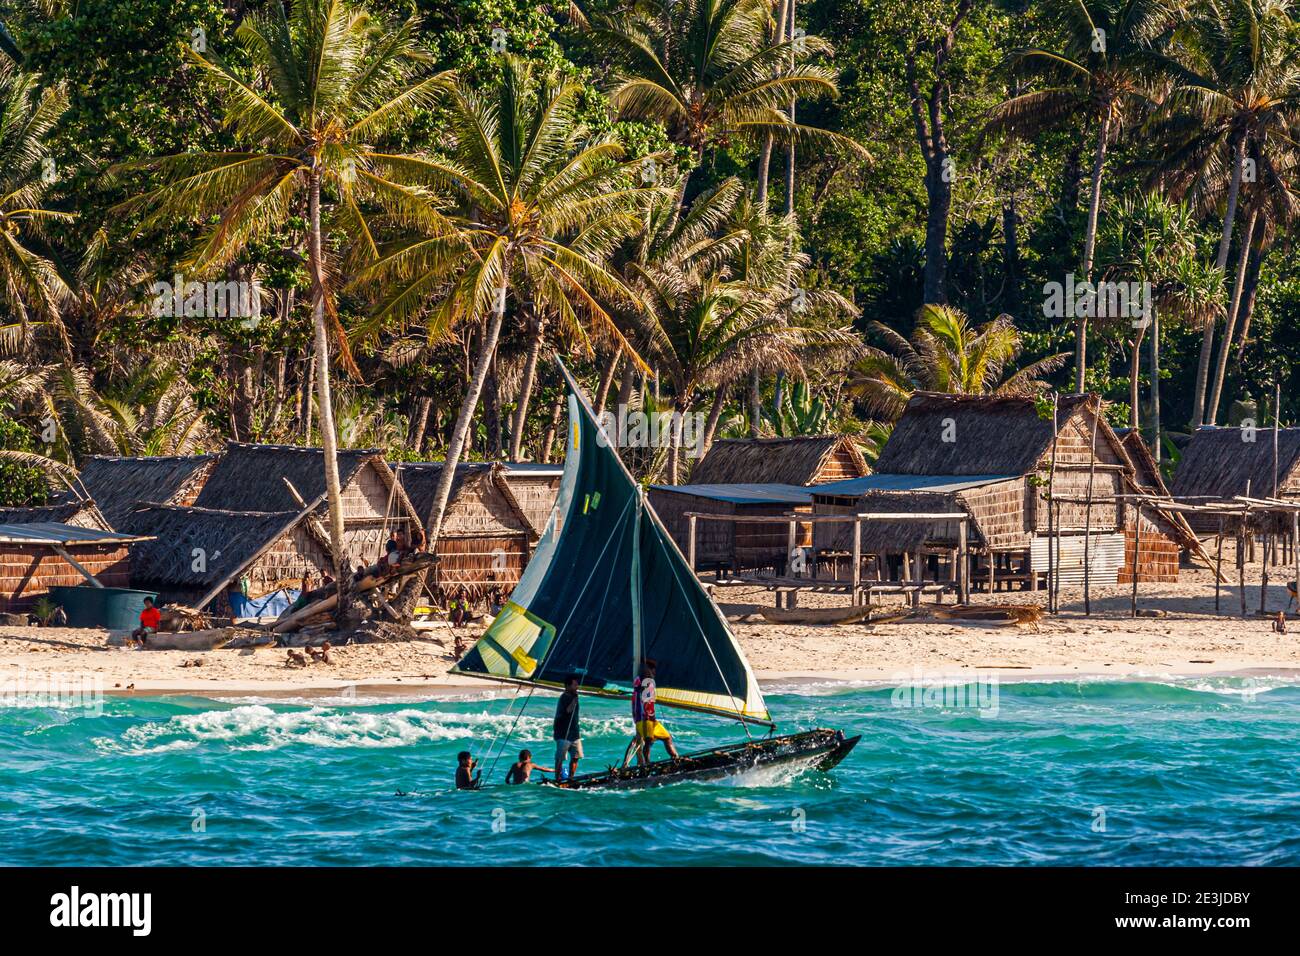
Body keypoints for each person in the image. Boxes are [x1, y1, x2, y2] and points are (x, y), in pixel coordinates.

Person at [632, 659, 678, 767]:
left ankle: (675, 757)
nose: (654, 672)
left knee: (667, 737)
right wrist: (648, 718)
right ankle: (647, 763)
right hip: (645, 718)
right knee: (648, 741)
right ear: (648, 669)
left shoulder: (641, 681)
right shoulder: (646, 682)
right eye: (652, 669)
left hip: (650, 719)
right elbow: (646, 703)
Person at [553, 675, 583, 781]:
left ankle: (571, 778)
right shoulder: (564, 697)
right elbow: (568, 711)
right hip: (563, 733)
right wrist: (574, 700)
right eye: (574, 685)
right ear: (567, 686)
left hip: (574, 733)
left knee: (576, 757)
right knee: (560, 758)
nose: (577, 687)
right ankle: (558, 778)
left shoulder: (574, 696)